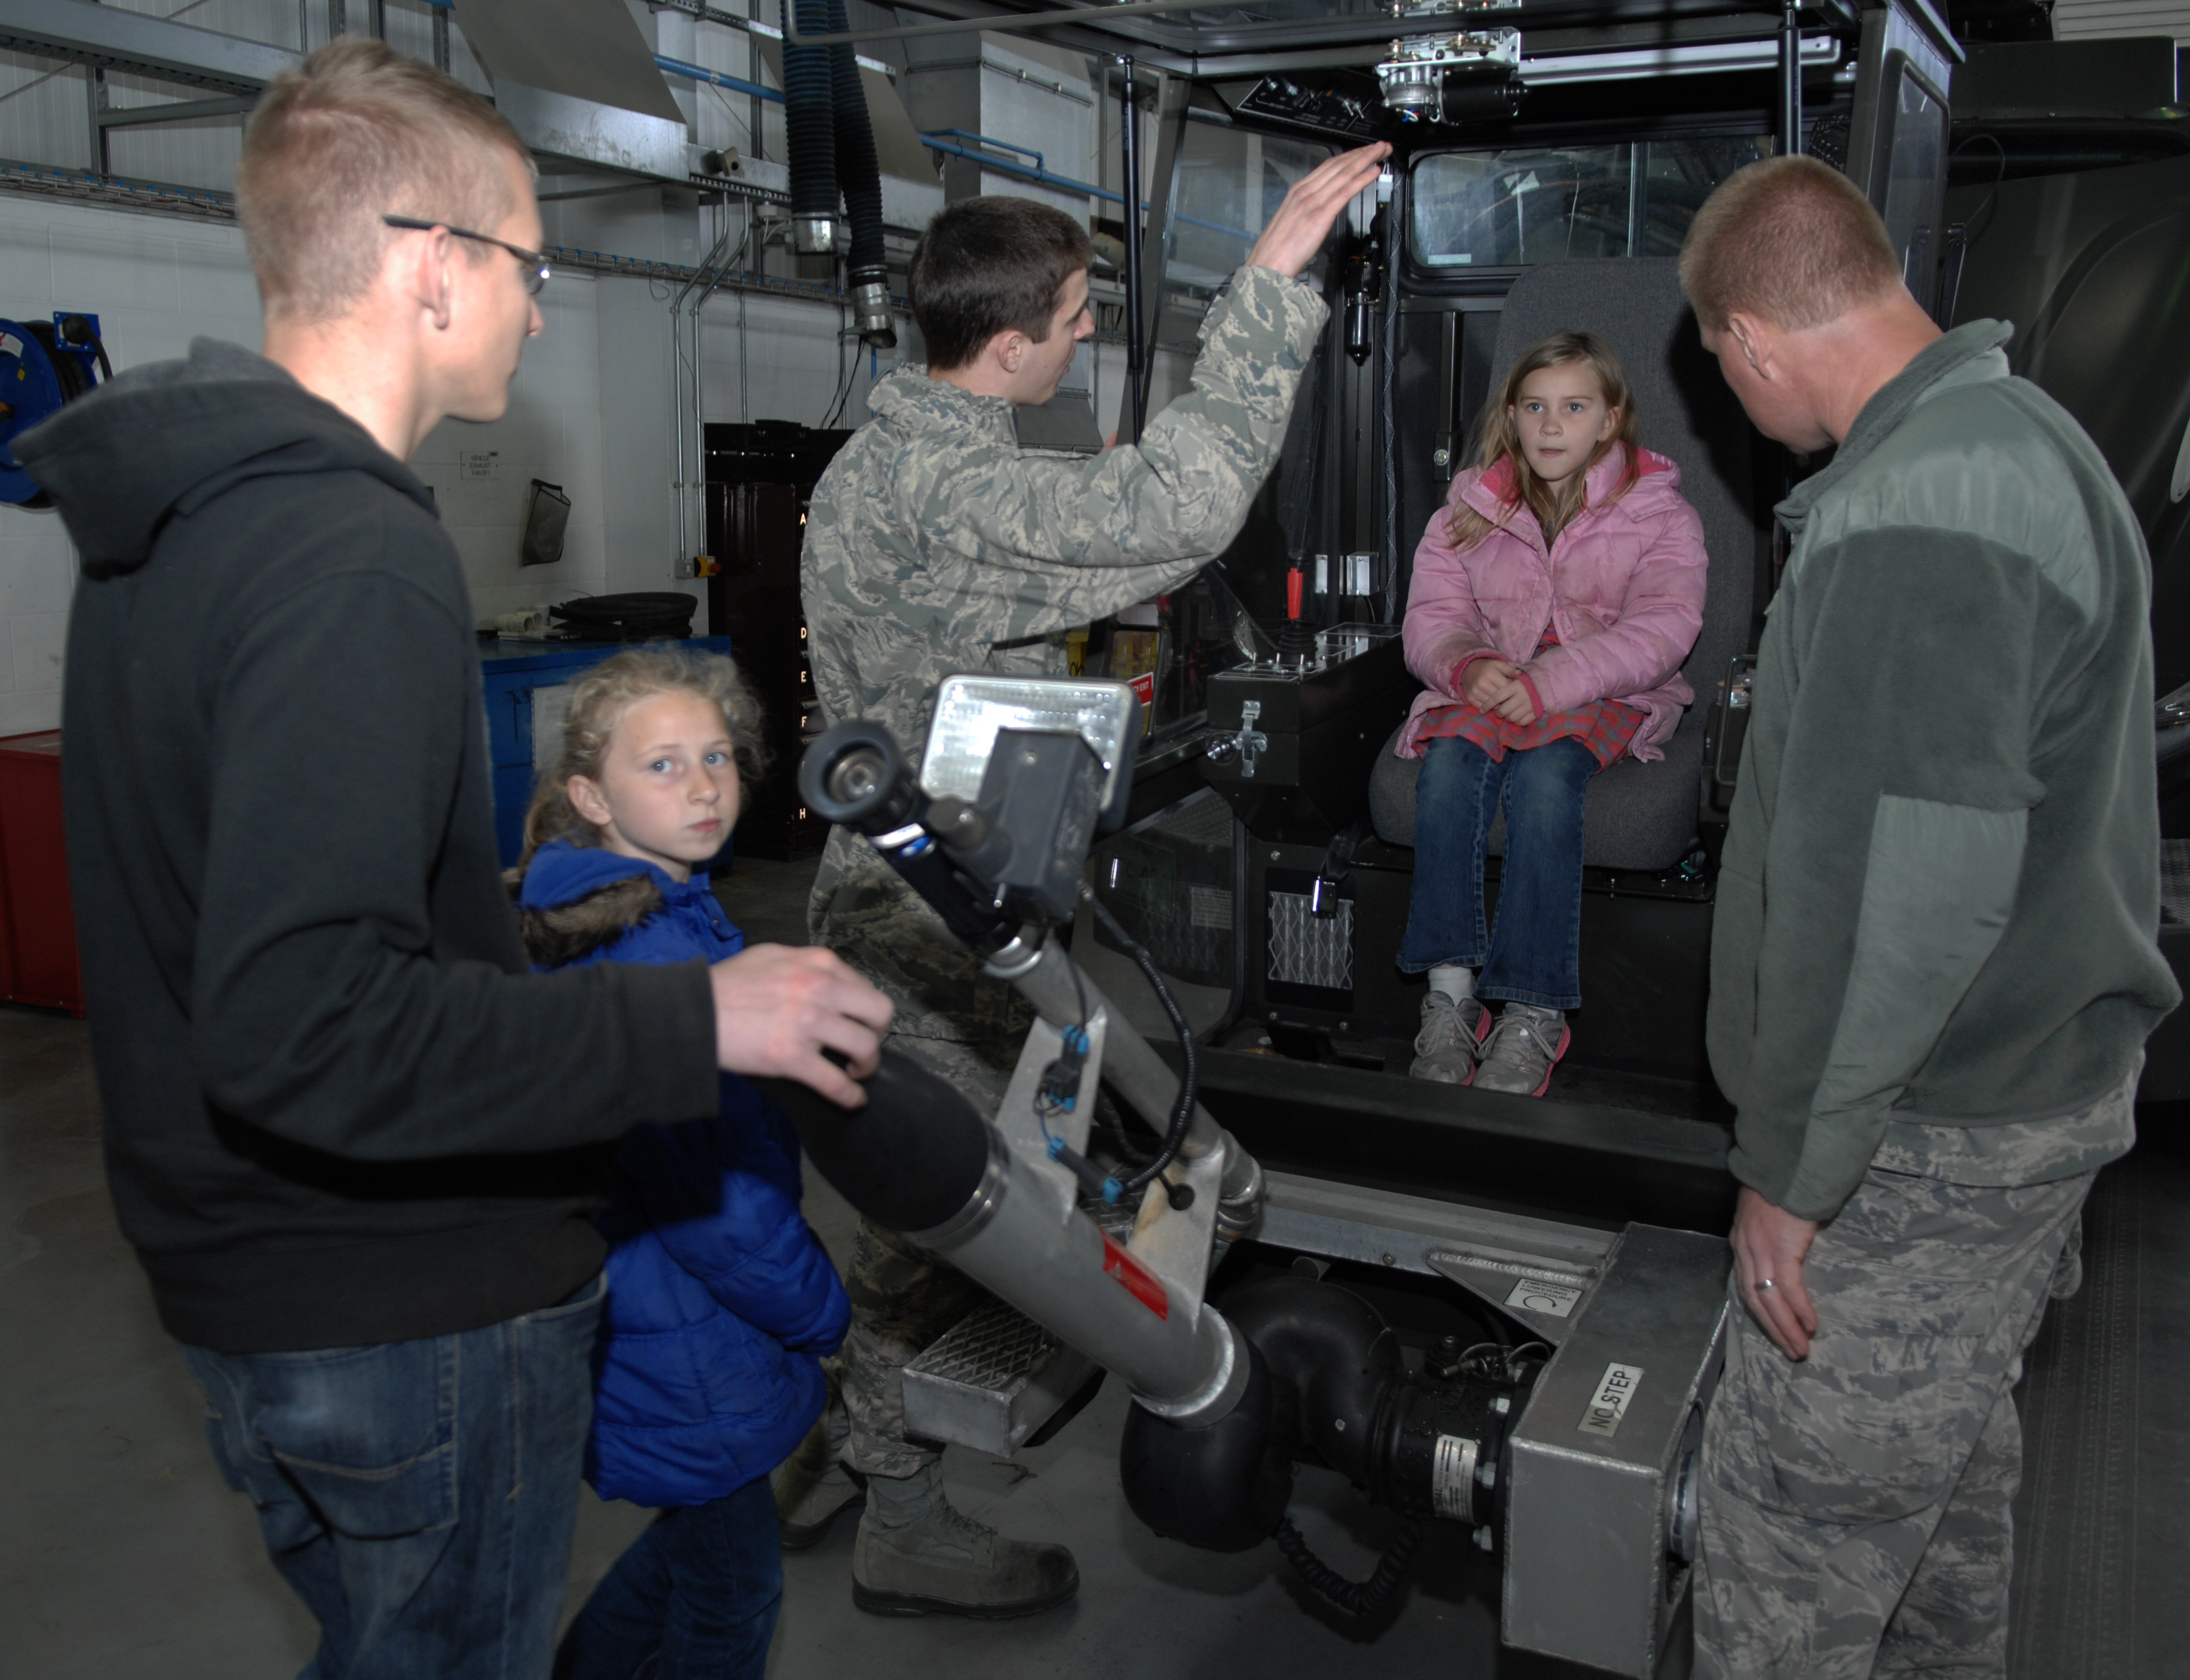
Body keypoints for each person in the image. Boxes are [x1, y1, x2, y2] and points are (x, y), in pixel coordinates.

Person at [17, 40, 890, 1680]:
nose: (544, 307)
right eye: (530, 263)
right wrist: (701, 1021)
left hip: (248, 1280)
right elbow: (311, 1020)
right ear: (433, 268)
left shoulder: (179, 522)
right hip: (398, 1299)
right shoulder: (354, 553)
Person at [793, 146, 1390, 1617]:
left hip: (920, 881)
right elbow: (1172, 512)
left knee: (908, 1191)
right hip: (928, 914)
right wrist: (1263, 293)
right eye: (1071, 318)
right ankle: (899, 1505)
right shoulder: (947, 484)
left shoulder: (901, 447)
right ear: (1006, 343)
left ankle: (824, 1443)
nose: (1080, 339)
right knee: (948, 1214)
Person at [1680, 154, 2179, 1677]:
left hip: (1920, 1143)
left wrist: (1793, 1169)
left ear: (1754, 340)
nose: (1737, 400)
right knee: (1935, 1520)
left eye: (1722, 369)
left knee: (1785, 1562)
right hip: (2009, 1108)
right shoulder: (2016, 438)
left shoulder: (1917, 514)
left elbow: (1904, 901)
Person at [511, 648, 848, 1680]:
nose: (704, 786)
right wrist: (820, 1313)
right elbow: (721, 1209)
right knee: (734, 1594)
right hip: (685, 1342)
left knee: (690, 1552)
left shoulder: (643, 911)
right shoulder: (654, 957)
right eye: (662, 766)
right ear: (590, 797)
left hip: (643, 1321)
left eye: (718, 757)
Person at [1394, 330, 1707, 1095]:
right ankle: (1450, 1001)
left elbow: (1663, 630)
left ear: (1610, 419)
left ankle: (1534, 1009)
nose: (1552, 425)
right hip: (1489, 687)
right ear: (1512, 414)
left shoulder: (1662, 517)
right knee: (1447, 770)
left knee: (1543, 781)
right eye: (1534, 407)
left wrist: (1552, 679)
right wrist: (1471, 664)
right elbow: (1433, 616)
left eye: (1574, 407)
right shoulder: (1467, 513)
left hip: (1600, 691)